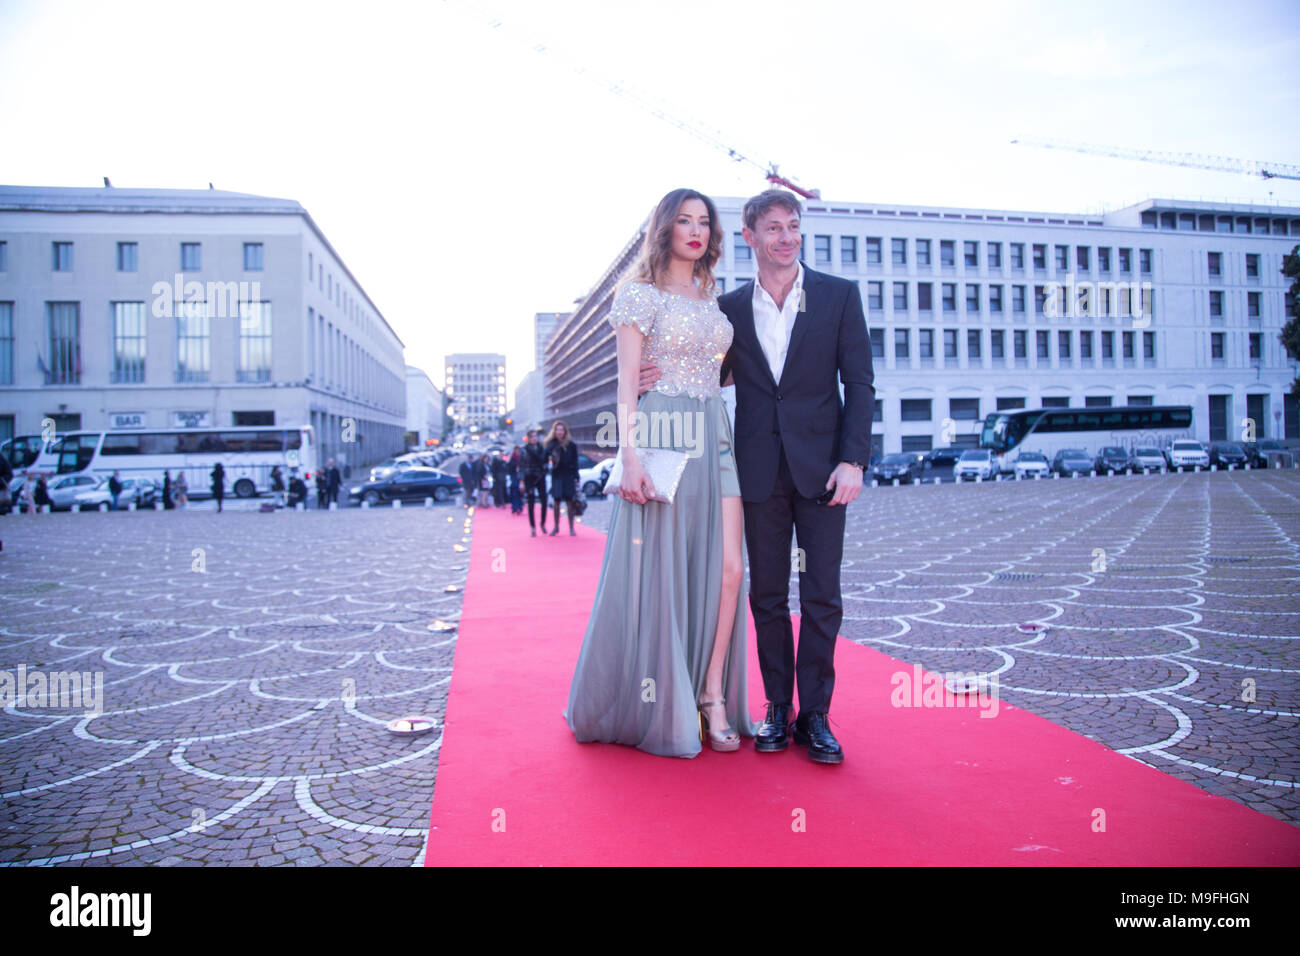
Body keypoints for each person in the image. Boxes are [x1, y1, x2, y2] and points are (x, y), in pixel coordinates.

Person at [644, 189, 873, 764]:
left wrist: (855, 460)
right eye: (773, 228)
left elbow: (861, 385)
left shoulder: (839, 297)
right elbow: (703, 367)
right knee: (767, 596)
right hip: (757, 471)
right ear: (749, 237)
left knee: (822, 595)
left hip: (824, 473)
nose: (786, 237)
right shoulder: (730, 309)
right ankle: (777, 707)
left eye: (793, 226)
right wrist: (655, 370)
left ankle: (815, 716)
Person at [565, 187, 757, 757]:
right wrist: (628, 456)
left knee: (728, 566)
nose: (696, 231)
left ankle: (711, 690)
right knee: (663, 569)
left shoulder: (710, 292)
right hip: (662, 433)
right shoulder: (637, 295)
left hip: (714, 431)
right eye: (684, 221)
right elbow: (627, 382)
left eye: (704, 222)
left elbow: (716, 367)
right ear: (665, 228)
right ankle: (662, 697)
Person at [543, 422, 580, 536]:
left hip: (568, 476)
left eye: (561, 430)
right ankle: (556, 527)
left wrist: (576, 477)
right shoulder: (551, 444)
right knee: (556, 503)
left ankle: (571, 527)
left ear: (565, 431)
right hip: (557, 476)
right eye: (557, 430)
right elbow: (543, 459)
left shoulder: (571, 445)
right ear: (554, 431)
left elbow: (575, 462)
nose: (559, 432)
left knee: (570, 503)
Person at [521, 430, 548, 535]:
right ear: (528, 438)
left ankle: (542, 523)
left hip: (540, 476)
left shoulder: (542, 449)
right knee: (531, 503)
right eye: (532, 437)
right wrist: (522, 481)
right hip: (530, 478)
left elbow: (546, 462)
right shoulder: (525, 450)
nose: (534, 438)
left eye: (536, 436)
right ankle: (533, 526)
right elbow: (521, 466)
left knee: (544, 501)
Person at [507, 446, 524, 515]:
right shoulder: (512, 459)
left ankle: (519, 506)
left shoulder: (522, 458)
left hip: (521, 477)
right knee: (514, 492)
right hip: (514, 477)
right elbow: (509, 468)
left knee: (520, 493)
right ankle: (515, 507)